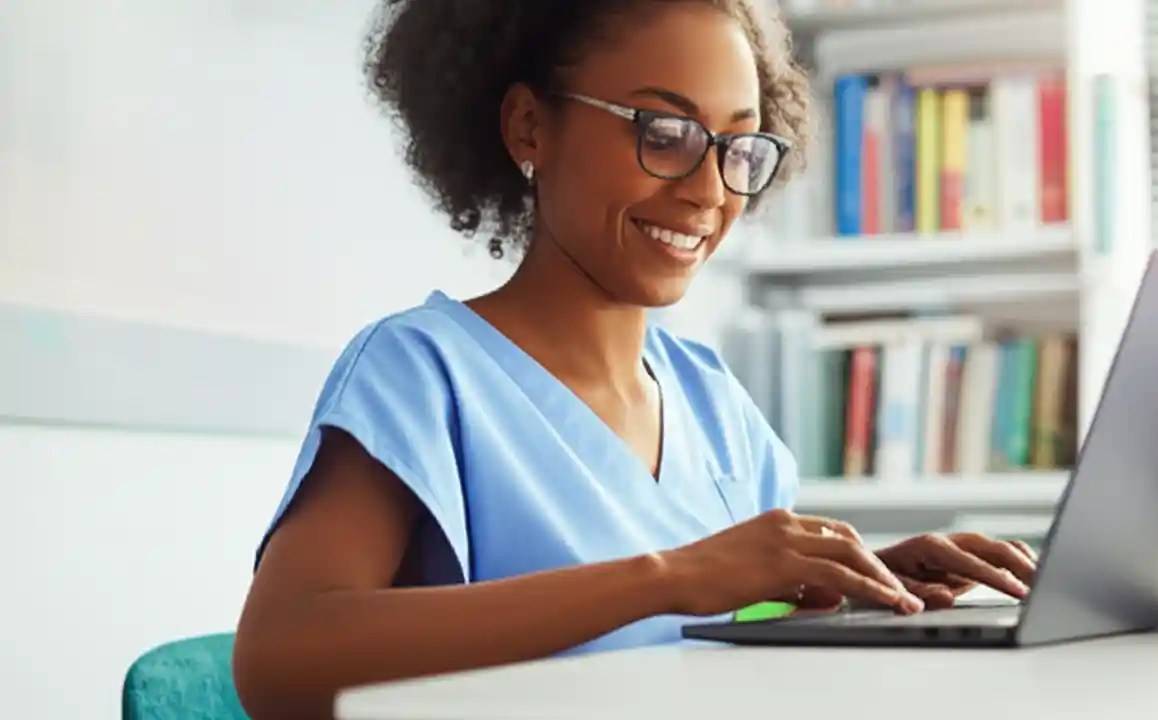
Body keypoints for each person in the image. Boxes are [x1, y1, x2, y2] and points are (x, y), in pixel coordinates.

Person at [232, 1, 1038, 717]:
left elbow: (707, 641)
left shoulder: (713, 400)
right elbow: (278, 661)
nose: (710, 191)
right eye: (664, 133)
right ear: (529, 127)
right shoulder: (422, 372)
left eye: (737, 146)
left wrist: (850, 588)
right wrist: (668, 576)